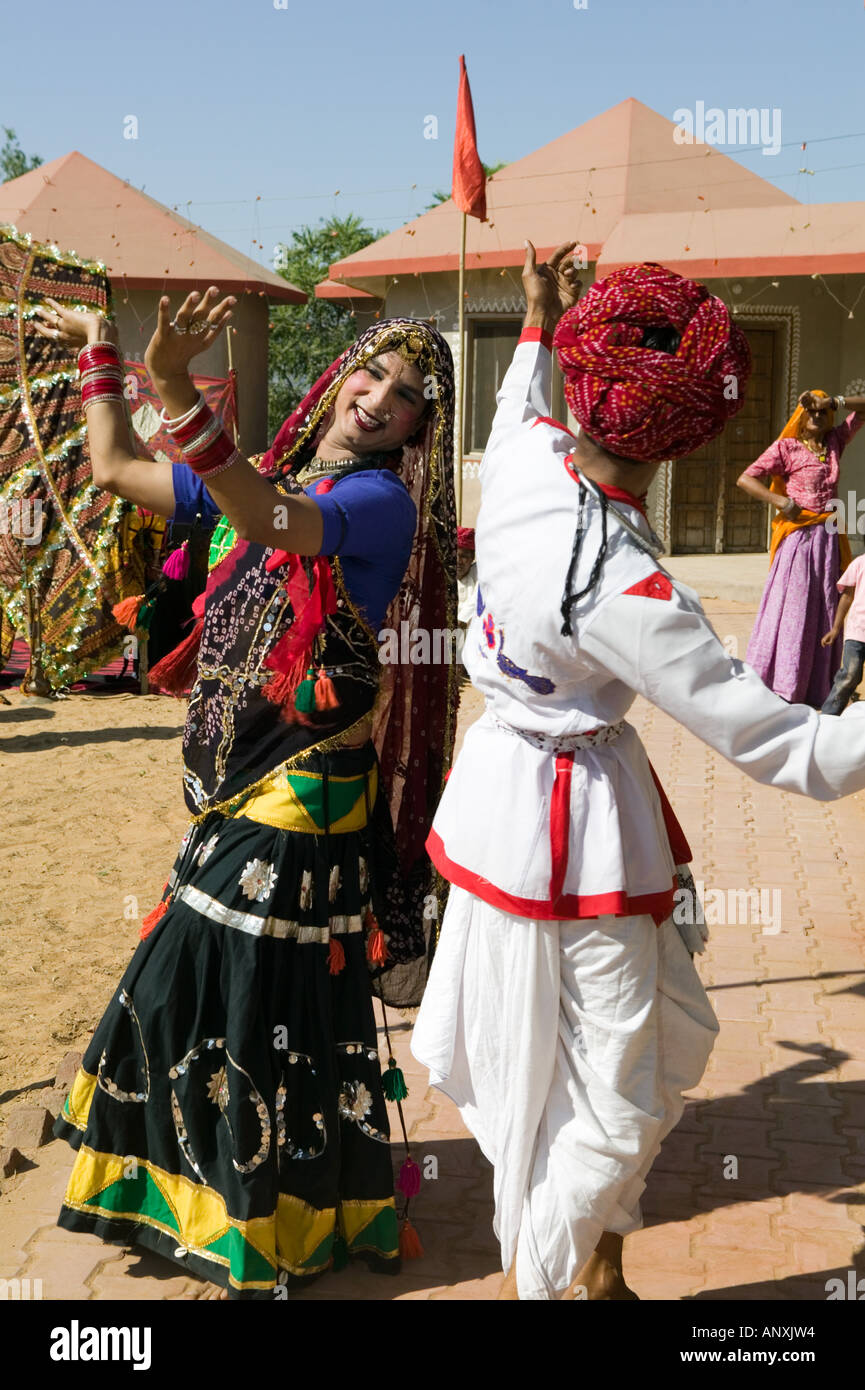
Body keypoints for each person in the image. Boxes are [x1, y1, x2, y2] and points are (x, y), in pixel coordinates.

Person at [410, 246, 865, 1302]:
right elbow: (777, 743)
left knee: (612, 1048)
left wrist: (534, 316)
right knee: (623, 1080)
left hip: (508, 803)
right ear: (698, 431)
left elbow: (521, 396)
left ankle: (588, 1263)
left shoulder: (528, 458)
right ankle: (546, 1276)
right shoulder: (620, 582)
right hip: (571, 831)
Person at [33, 288, 456, 1298]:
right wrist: (106, 357)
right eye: (372, 373)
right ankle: (226, 1203)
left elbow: (270, 520)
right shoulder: (261, 476)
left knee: (216, 992)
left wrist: (172, 383)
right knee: (223, 1000)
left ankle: (261, 1223)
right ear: (339, 376)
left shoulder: (376, 505)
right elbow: (117, 468)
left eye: (403, 396)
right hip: (238, 789)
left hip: (303, 797)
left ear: (414, 430)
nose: (379, 397)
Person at [736, 390, 865, 707]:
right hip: (798, 540)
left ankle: (815, 686)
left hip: (828, 540)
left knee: (823, 609)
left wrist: (834, 400)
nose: (818, 417)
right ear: (800, 417)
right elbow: (745, 479)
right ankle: (783, 683)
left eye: (823, 413)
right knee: (793, 610)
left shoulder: (835, 442)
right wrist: (780, 501)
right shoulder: (786, 448)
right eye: (812, 412)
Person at [821, 552, 865, 713]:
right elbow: (847, 597)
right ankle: (829, 715)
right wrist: (835, 629)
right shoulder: (859, 563)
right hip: (857, 632)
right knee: (850, 675)